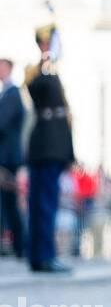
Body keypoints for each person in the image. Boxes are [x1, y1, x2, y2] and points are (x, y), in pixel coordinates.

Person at [24, 23, 76, 273]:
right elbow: (36, 91)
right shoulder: (39, 70)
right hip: (46, 145)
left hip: (52, 146)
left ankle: (41, 254)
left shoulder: (51, 71)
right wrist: (46, 60)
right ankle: (42, 255)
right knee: (44, 203)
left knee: (45, 202)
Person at [0, 58, 26, 260]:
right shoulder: (7, 93)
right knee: (6, 204)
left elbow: (3, 122)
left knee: (8, 203)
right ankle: (17, 245)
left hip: (7, 158)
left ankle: (20, 245)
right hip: (6, 157)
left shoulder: (12, 93)